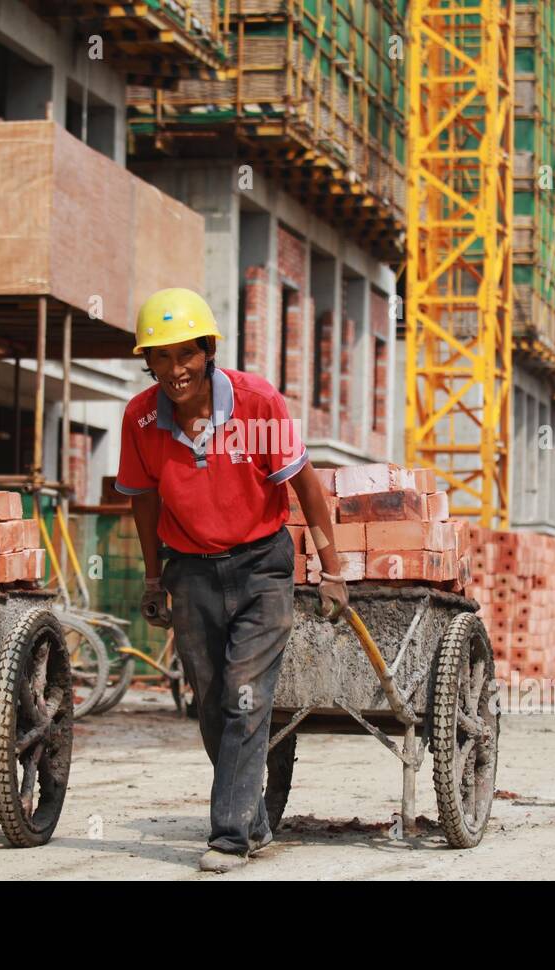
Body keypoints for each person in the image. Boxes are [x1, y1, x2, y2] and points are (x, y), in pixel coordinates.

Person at [116, 288, 348, 873]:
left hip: (262, 566)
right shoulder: (140, 419)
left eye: (185, 354)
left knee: (246, 693)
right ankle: (255, 818)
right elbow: (143, 504)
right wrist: (152, 577)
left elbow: (306, 488)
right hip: (190, 570)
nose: (174, 371)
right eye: (160, 358)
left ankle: (228, 837)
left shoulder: (256, 402)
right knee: (212, 702)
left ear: (208, 349)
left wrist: (331, 568)